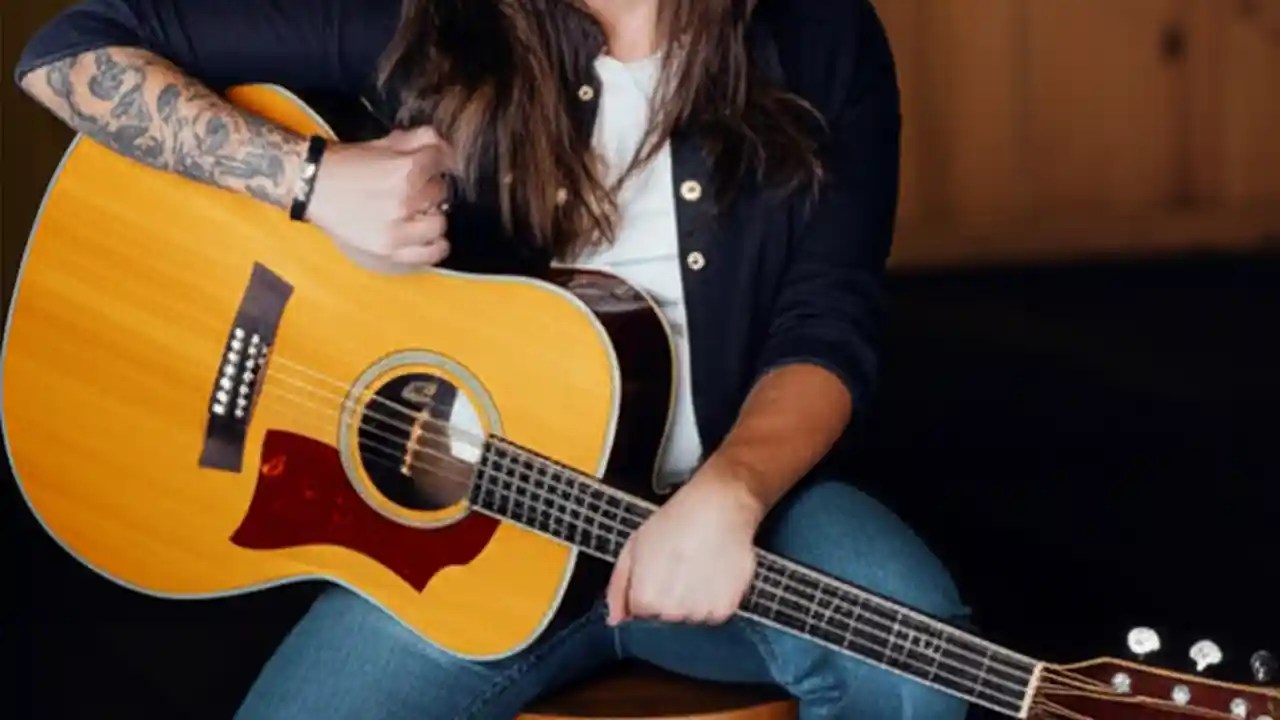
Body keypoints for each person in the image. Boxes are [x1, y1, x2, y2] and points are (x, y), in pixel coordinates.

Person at [15, 1, 969, 718]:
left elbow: (827, 323)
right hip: (462, 539)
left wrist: (731, 493)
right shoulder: (432, 16)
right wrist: (309, 181)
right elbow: (69, 50)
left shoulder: (821, 33)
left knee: (917, 660)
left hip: (741, 506)